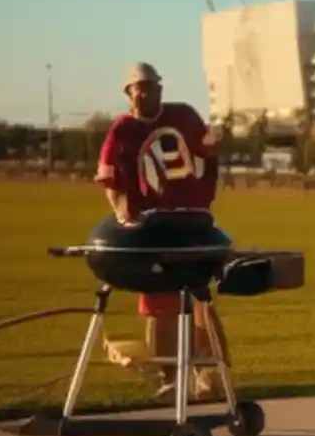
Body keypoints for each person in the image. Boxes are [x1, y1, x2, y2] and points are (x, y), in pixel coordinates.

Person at [95, 62, 227, 399]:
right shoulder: (122, 129)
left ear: (160, 89)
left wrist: (208, 185)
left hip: (191, 219)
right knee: (158, 304)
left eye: (151, 86)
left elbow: (209, 150)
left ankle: (212, 375)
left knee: (200, 297)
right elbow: (110, 180)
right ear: (128, 94)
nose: (146, 93)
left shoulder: (183, 115)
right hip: (152, 225)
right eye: (139, 88)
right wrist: (123, 214)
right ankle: (170, 378)